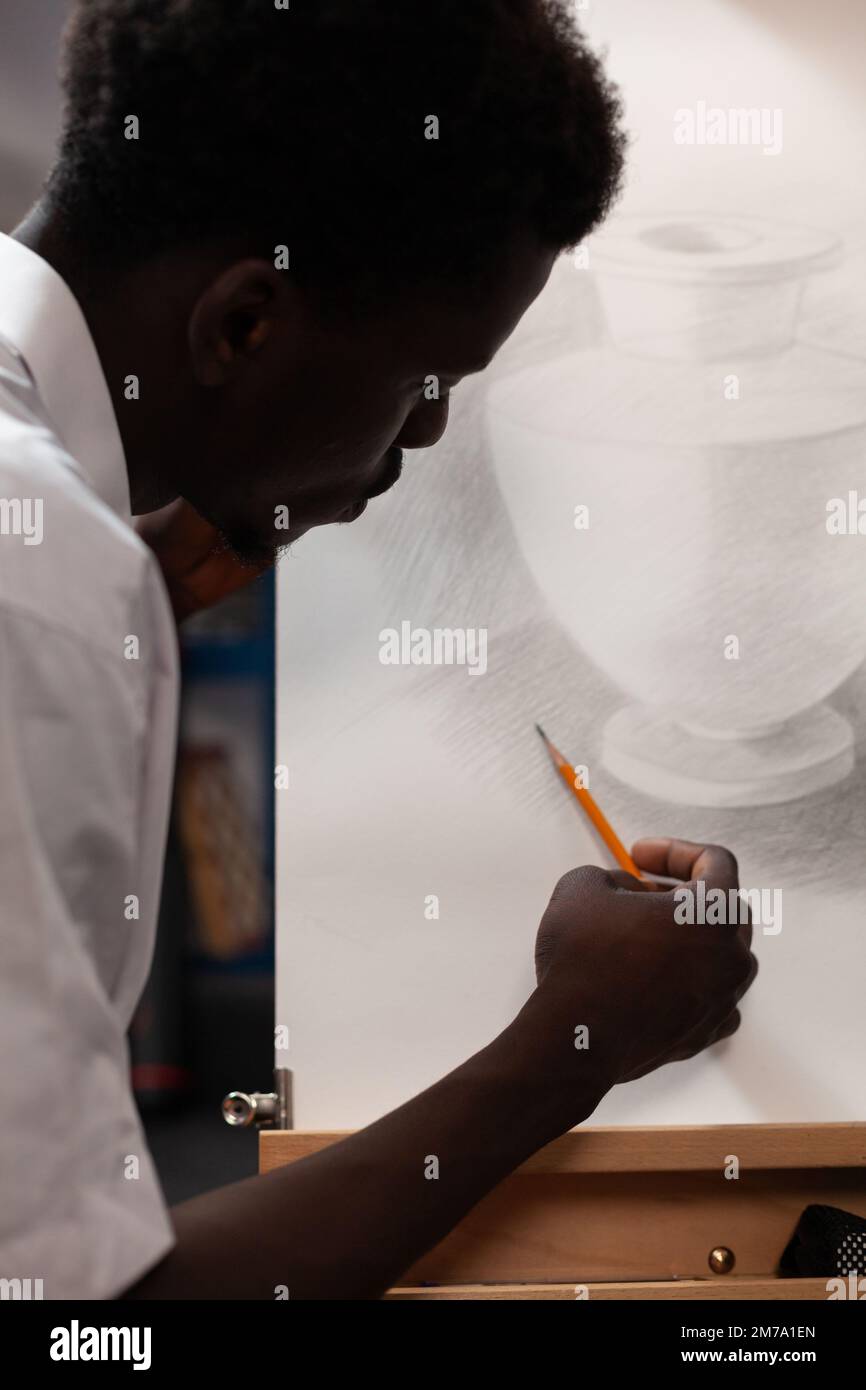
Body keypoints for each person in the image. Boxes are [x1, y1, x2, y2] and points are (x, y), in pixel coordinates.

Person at [0, 0, 756, 1300]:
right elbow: (92, 1325)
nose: (418, 444)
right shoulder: (44, 585)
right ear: (244, 326)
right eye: (423, 384)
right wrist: (570, 1045)